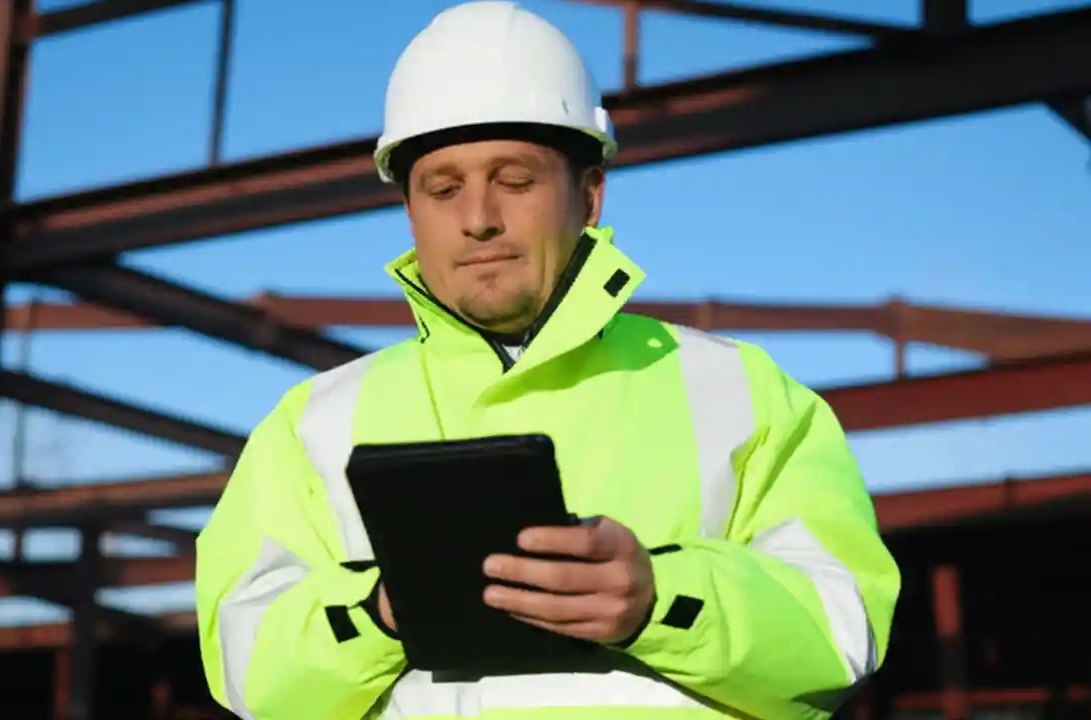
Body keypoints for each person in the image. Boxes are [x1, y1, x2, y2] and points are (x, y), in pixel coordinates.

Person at [194, 2, 901, 718]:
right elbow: (248, 669)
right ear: (409, 209)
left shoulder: (743, 392)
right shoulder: (310, 425)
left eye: (515, 180)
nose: (478, 218)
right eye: (443, 189)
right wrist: (378, 613)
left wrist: (663, 602)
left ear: (589, 194)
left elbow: (843, 631)